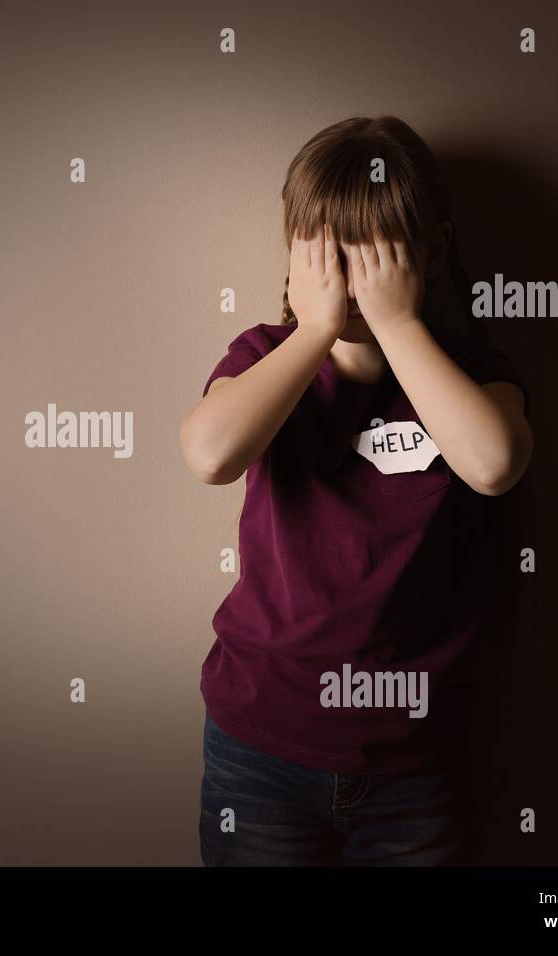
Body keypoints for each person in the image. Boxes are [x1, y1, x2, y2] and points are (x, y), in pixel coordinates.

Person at [179, 116, 534, 866]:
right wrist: (314, 331)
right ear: (296, 251)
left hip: (416, 765)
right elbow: (210, 455)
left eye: (375, 252)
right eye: (330, 251)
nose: (351, 274)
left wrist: (399, 322)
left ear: (428, 249)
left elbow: (495, 463)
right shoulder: (266, 357)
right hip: (262, 749)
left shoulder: (470, 371)